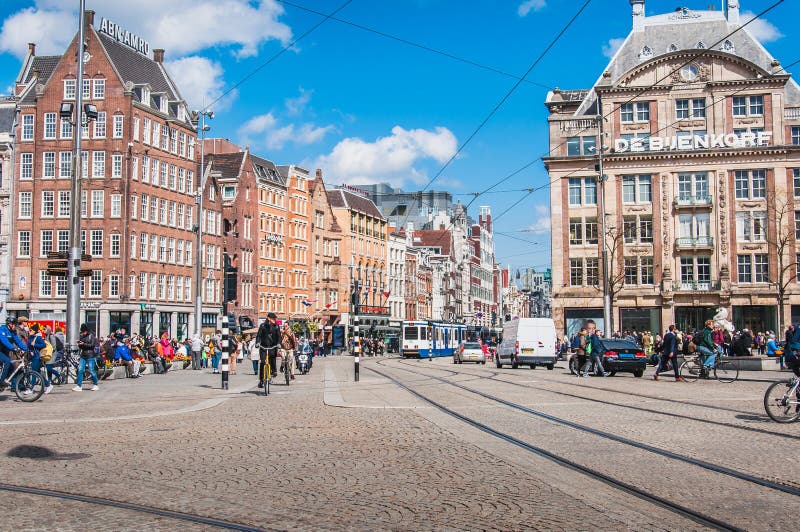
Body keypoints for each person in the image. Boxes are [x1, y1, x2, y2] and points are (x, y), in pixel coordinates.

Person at [0, 317, 28, 387]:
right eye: (15, 325)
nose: (16, 327)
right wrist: (14, 348)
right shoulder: (2, 329)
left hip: (5, 352)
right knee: (6, 361)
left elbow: (18, 341)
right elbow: (4, 341)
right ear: (10, 324)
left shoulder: (13, 332)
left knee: (13, 369)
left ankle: (14, 386)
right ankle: (1, 381)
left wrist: (26, 349)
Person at [27, 323, 54, 394]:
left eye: (31, 330)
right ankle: (48, 385)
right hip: (32, 357)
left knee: (33, 372)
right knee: (38, 372)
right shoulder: (30, 337)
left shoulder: (37, 337)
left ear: (35, 331)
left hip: (37, 357)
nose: (29, 331)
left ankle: (31, 389)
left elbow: (43, 345)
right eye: (29, 330)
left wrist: (35, 345)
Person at [256, 313, 280, 386]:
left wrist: (278, 343)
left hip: (272, 346)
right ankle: (261, 380)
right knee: (263, 363)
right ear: (269, 318)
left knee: (272, 359)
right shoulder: (262, 326)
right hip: (263, 347)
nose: (274, 320)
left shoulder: (276, 326)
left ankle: (274, 371)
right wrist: (257, 343)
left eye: (275, 318)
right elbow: (258, 336)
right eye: (273, 318)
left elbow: (279, 336)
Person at [74, 324, 99, 391]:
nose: (83, 333)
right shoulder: (82, 336)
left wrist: (83, 344)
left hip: (90, 355)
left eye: (84, 332)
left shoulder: (91, 336)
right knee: (80, 370)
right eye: (82, 332)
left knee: (91, 370)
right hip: (83, 355)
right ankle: (79, 386)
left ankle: (95, 384)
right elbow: (82, 346)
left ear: (87, 331)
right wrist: (79, 344)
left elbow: (92, 345)